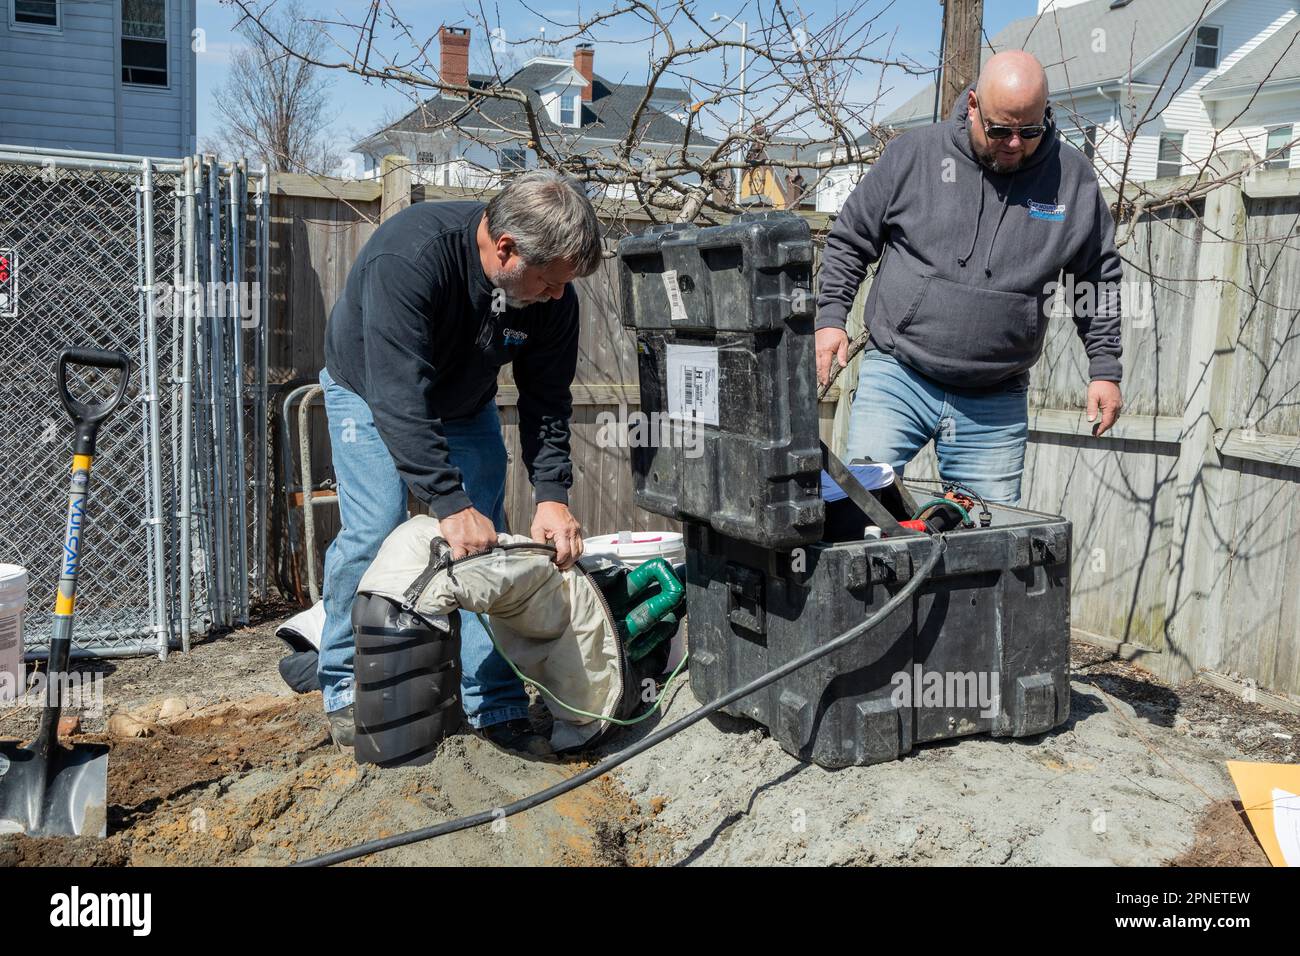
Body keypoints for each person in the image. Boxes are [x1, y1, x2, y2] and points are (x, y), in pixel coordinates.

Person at [318, 169, 603, 757]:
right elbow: (399, 398)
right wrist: (449, 502)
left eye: (562, 285)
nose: (556, 295)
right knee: (374, 529)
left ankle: (493, 701)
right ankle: (345, 686)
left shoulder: (553, 298)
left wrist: (551, 494)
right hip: (369, 391)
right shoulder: (409, 257)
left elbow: (547, 400)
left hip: (464, 402)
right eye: (549, 281)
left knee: (487, 549)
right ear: (506, 249)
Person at [815, 50, 1124, 505]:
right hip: (899, 375)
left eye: (1029, 131)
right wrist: (830, 319)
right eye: (1000, 129)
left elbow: (1096, 278)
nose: (1014, 143)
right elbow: (850, 239)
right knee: (860, 512)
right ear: (974, 105)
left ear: (1046, 117)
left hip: (994, 398)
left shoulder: (1071, 181)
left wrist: (1105, 368)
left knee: (985, 540)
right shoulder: (914, 156)